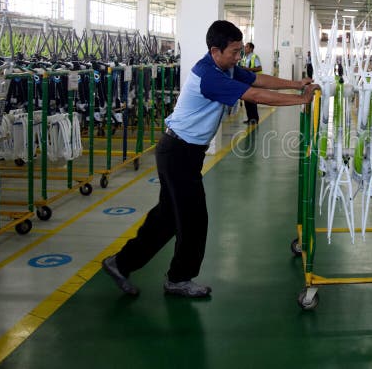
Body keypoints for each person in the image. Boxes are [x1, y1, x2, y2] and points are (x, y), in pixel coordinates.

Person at [102, 20, 317, 298]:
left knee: (167, 216)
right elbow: (254, 94)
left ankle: (120, 263)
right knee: (194, 219)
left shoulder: (224, 68)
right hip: (178, 152)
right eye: (235, 52)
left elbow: (256, 79)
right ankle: (178, 279)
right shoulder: (209, 76)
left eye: (241, 51)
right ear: (216, 50)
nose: (238, 57)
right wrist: (301, 100)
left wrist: (296, 84)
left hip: (184, 152)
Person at [242, 42, 262, 124]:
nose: (245, 48)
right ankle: (249, 118)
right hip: (246, 81)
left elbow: (259, 68)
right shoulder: (245, 57)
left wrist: (247, 69)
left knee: (252, 101)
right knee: (247, 101)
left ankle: (254, 119)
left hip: (253, 81)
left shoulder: (254, 57)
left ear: (251, 49)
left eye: (246, 47)